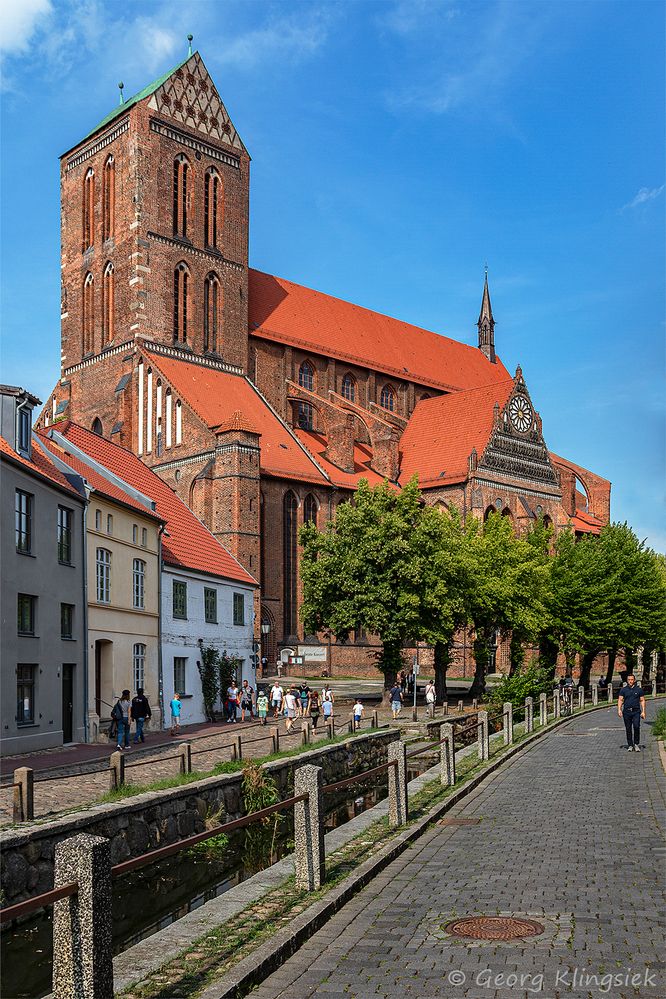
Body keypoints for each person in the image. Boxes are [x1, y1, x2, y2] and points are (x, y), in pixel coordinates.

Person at [617, 673, 646, 751]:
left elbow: (642, 700)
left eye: (632, 679)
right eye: (629, 680)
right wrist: (619, 709)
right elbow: (620, 700)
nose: (630, 681)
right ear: (627, 680)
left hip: (636, 711)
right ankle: (630, 744)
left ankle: (636, 744)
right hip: (627, 712)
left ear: (634, 680)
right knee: (628, 728)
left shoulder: (639, 690)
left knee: (636, 726)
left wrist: (643, 711)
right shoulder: (623, 690)